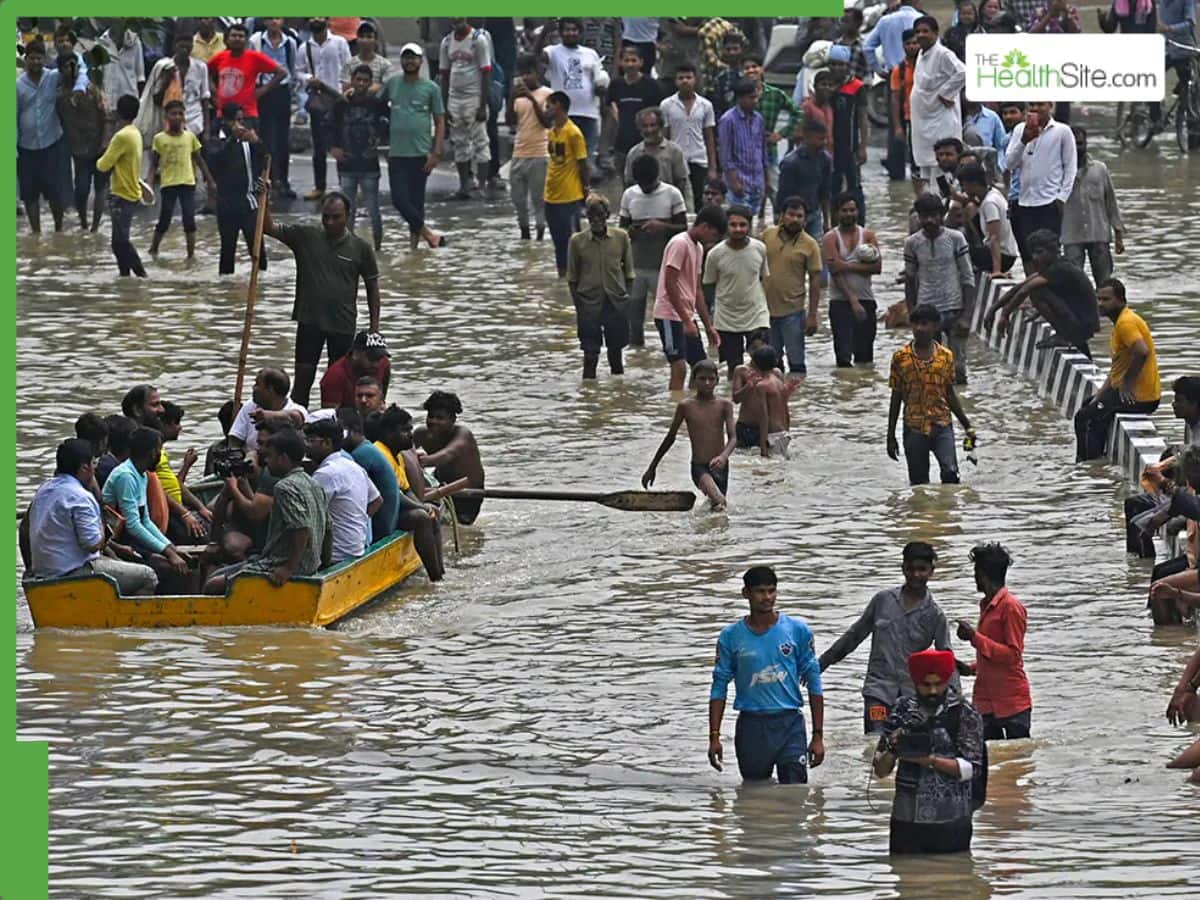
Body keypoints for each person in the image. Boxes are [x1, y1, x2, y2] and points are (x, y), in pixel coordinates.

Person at [259, 186, 380, 408]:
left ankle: (334, 429)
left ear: (348, 216)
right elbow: (268, 227)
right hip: (310, 320)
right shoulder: (306, 236)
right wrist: (265, 200)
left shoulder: (360, 248)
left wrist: (374, 328)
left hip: (342, 324)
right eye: (326, 217)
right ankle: (298, 423)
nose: (330, 222)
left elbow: (372, 287)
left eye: (336, 217)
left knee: (338, 382)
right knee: (302, 381)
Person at [708, 566, 825, 782]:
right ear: (746, 593)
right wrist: (714, 736)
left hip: (789, 724)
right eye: (760, 591)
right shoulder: (731, 637)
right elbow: (719, 685)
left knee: (795, 794)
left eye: (772, 591)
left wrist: (818, 735)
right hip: (752, 726)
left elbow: (814, 680)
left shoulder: (797, 630)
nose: (767, 597)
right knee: (754, 795)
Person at [822, 542, 956, 730]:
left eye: (922, 569)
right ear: (903, 569)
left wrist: (955, 702)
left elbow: (947, 660)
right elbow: (854, 635)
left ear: (931, 571)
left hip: (912, 696)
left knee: (909, 746)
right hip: (879, 691)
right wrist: (822, 663)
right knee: (875, 742)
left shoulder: (935, 615)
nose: (916, 575)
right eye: (910, 569)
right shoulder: (883, 601)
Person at [872, 648, 985, 854]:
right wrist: (893, 748)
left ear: (947, 680)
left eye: (938, 684)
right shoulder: (901, 710)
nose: (933, 691)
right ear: (915, 683)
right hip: (906, 820)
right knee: (906, 880)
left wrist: (930, 760)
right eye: (926, 685)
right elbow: (880, 771)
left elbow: (973, 769)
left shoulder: (964, 713)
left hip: (951, 821)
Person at [204, 428, 330, 594]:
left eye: (270, 456)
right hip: (309, 564)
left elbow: (301, 528)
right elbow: (328, 529)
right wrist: (325, 564)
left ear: (283, 458)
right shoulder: (313, 483)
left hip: (281, 564)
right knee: (222, 572)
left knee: (212, 584)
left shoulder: (283, 487)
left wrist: (287, 569)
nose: (267, 462)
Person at [26, 439, 158, 596]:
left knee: (122, 565)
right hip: (71, 572)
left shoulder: (43, 490)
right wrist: (102, 526)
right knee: (148, 576)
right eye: (93, 464)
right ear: (84, 468)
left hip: (45, 569)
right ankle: (121, 620)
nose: (95, 470)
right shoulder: (80, 497)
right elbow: (92, 544)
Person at [887, 304, 975, 485]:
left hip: (941, 424)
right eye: (916, 324)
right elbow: (896, 397)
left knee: (951, 473)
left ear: (935, 326)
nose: (919, 329)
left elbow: (949, 394)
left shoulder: (946, 357)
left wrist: (967, 426)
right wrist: (890, 435)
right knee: (919, 484)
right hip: (914, 427)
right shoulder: (901, 358)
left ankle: (946, 511)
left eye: (925, 324)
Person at [1074, 278, 1161, 462]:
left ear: (1120, 300)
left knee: (1085, 418)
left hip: (1141, 397)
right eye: (1098, 299)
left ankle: (1089, 464)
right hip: (1129, 392)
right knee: (1088, 405)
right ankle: (1095, 457)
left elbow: (1142, 352)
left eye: (1106, 299)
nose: (1100, 304)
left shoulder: (1125, 323)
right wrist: (1101, 394)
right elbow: (1117, 368)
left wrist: (1127, 384)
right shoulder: (1120, 322)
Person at [955, 543, 1033, 739]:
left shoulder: (1011, 607)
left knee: (1016, 759)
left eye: (975, 572)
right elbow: (993, 655)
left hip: (1012, 702)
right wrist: (971, 669)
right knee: (991, 759)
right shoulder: (987, 605)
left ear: (982, 574)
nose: (974, 578)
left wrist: (974, 637)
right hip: (985, 701)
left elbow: (1012, 655)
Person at [987, 228, 1100, 356]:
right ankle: (1064, 334)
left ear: (1054, 250)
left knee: (1036, 292)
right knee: (1034, 289)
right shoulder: (1052, 266)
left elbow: (1024, 291)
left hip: (1083, 325)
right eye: (1033, 253)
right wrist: (993, 309)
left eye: (1040, 252)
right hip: (1079, 321)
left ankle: (1063, 335)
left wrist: (1005, 314)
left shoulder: (1060, 268)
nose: (1035, 257)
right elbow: (1019, 287)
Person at [641, 359, 736, 508]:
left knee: (716, 509)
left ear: (717, 381)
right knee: (720, 500)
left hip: (721, 467)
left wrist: (723, 457)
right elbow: (670, 437)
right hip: (699, 467)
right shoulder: (686, 406)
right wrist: (652, 467)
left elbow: (733, 438)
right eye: (702, 379)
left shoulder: (724, 405)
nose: (707, 383)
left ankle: (704, 528)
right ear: (693, 380)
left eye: (711, 379)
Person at [102, 426, 191, 585]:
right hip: (118, 541)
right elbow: (133, 525)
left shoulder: (141, 474)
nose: (160, 454)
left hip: (131, 537)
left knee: (182, 560)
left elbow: (145, 520)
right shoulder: (126, 476)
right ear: (151, 453)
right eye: (159, 450)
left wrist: (170, 548)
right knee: (166, 567)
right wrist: (168, 554)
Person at [904, 193, 976, 384]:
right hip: (926, 311)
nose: (929, 220)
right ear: (918, 217)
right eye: (924, 216)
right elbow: (909, 280)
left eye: (934, 215)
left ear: (942, 214)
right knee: (930, 370)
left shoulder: (956, 238)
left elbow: (967, 277)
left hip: (955, 309)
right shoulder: (912, 243)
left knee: (958, 370)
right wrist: (912, 316)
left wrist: (967, 317)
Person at [1124, 377, 1200, 557]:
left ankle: (1144, 566)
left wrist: (1165, 482)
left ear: (1194, 404)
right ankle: (1136, 565)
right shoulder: (1190, 425)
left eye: (1179, 401)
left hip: (1189, 500)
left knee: (1139, 525)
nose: (1173, 405)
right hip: (1183, 494)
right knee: (1133, 504)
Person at [653, 206, 727, 391]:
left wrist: (708, 326)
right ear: (705, 226)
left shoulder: (698, 248)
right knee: (678, 366)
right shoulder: (680, 243)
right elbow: (670, 284)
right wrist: (686, 321)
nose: (713, 240)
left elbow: (696, 289)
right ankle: (677, 408)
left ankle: (696, 406)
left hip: (685, 313)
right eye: (714, 235)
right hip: (669, 314)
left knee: (700, 366)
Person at [618, 155, 688, 348]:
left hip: (664, 266)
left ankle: (672, 348)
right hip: (636, 266)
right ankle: (637, 352)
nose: (645, 188)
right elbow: (621, 229)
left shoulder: (672, 194)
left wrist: (663, 227)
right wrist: (631, 232)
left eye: (648, 184)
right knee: (634, 318)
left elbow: (684, 228)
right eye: (641, 184)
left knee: (669, 314)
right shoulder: (629, 195)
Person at [384, 43, 447, 252]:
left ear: (421, 61)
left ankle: (414, 248)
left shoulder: (431, 88)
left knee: (416, 202)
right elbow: (377, 103)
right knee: (399, 200)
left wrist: (437, 152)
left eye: (414, 58)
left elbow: (439, 121)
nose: (409, 61)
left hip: (421, 153)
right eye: (406, 57)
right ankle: (430, 235)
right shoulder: (392, 83)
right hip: (397, 152)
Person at [372, 405, 445, 582]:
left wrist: (425, 505)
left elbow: (406, 489)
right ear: (389, 433)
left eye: (410, 429)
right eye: (405, 430)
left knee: (431, 513)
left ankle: (440, 571)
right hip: (382, 516)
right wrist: (420, 506)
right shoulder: (380, 453)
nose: (411, 435)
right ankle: (435, 578)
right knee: (421, 517)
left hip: (396, 509)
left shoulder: (396, 455)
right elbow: (395, 494)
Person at [567, 194, 635, 379]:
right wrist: (579, 306)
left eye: (600, 215)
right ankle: (589, 396)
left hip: (616, 302)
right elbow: (572, 278)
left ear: (607, 215)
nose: (596, 220)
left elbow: (629, 273)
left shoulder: (621, 237)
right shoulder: (577, 241)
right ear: (586, 216)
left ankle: (618, 395)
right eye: (592, 215)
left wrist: (626, 300)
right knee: (590, 355)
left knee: (616, 354)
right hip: (588, 303)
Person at [1005, 101, 1077, 265]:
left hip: (1050, 202)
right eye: (1032, 105)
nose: (1035, 109)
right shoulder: (1019, 130)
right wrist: (1024, 140)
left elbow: (1070, 167)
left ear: (1050, 106)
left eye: (1040, 104)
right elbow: (1009, 164)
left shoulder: (1062, 131)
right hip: (1024, 202)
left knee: (1050, 254)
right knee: (1028, 254)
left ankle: (1052, 289)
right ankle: (1033, 289)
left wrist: (1062, 198)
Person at [704, 206, 770, 377]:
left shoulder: (760, 248)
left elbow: (762, 278)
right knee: (734, 369)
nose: (738, 229)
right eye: (733, 225)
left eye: (743, 225)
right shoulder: (715, 254)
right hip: (726, 317)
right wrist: (710, 319)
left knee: (763, 360)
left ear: (750, 226)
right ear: (726, 226)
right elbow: (708, 286)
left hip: (756, 313)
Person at [304, 417, 381, 564]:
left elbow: (307, 517)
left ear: (327, 443)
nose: (307, 446)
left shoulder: (325, 474)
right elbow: (376, 500)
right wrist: (358, 525)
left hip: (335, 556)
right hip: (356, 548)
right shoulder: (354, 466)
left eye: (311, 440)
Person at [206, 103, 269, 277]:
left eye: (241, 120)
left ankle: (261, 285)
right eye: (235, 121)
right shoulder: (216, 140)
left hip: (249, 203)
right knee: (227, 251)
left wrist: (257, 143)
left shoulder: (249, 139)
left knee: (258, 252)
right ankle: (226, 292)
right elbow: (215, 160)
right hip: (226, 205)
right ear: (226, 121)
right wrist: (232, 139)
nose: (239, 125)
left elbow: (266, 159)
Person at [330, 65, 389, 252]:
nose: (361, 84)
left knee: (374, 210)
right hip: (346, 163)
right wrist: (333, 148)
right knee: (347, 210)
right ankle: (346, 249)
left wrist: (379, 140)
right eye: (358, 80)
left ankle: (378, 250)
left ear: (370, 83)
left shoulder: (377, 104)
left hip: (369, 165)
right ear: (352, 80)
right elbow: (327, 127)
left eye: (365, 81)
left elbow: (388, 123)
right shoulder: (341, 103)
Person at [761, 198, 823, 376]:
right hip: (765, 311)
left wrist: (812, 315)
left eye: (799, 216)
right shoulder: (767, 236)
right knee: (769, 364)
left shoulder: (810, 245)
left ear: (806, 220)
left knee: (796, 365)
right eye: (791, 214)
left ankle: (799, 400)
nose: (795, 219)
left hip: (793, 312)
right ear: (782, 216)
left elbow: (815, 282)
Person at [147, 100, 215, 259]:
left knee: (189, 220)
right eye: (173, 114)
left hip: (187, 183)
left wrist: (210, 181)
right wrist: (149, 182)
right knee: (165, 219)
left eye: (180, 114)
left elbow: (199, 160)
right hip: (168, 184)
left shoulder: (189, 137)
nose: (177, 117)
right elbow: (153, 164)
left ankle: (191, 255)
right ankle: (153, 248)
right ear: (166, 117)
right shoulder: (160, 139)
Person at [823, 194, 882, 368]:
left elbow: (877, 268)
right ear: (836, 213)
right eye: (844, 211)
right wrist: (853, 301)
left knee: (865, 360)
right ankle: (846, 394)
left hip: (867, 300)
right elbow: (834, 271)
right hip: (840, 302)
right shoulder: (830, 238)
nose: (849, 214)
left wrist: (845, 265)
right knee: (843, 360)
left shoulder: (868, 235)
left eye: (852, 210)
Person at [1062, 127, 1125, 288]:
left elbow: (1111, 202)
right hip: (1071, 235)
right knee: (1073, 282)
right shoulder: (1059, 172)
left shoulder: (1100, 169)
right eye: (1072, 144)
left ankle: (1104, 312)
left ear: (1086, 144)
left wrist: (1118, 235)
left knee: (1104, 281)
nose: (1077, 148)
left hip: (1099, 234)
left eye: (1080, 143)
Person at [297, 19, 352, 202]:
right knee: (319, 145)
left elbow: (348, 66)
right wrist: (308, 78)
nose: (315, 20)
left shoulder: (339, 43)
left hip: (337, 98)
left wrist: (345, 92)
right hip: (318, 101)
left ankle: (344, 184)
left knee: (341, 142)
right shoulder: (304, 47)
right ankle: (319, 186)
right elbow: (298, 71)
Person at [740, 52, 799, 220]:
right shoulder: (738, 95)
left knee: (774, 191)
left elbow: (798, 113)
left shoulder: (775, 94)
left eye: (754, 67)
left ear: (762, 69)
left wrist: (781, 134)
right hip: (745, 153)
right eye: (747, 68)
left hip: (769, 151)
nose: (751, 71)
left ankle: (779, 227)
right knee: (748, 196)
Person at [438, 18, 492, 199]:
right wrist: (444, 106)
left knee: (480, 142)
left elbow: (486, 73)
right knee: (459, 142)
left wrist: (483, 105)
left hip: (474, 98)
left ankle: (482, 186)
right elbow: (444, 75)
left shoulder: (478, 40)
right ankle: (464, 186)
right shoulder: (446, 42)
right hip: (454, 99)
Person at [414, 391, 486, 525]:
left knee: (461, 525)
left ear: (453, 420)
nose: (434, 421)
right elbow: (402, 449)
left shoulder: (463, 434)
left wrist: (424, 460)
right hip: (441, 485)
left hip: (468, 493)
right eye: (431, 416)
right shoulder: (421, 434)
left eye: (440, 418)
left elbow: (447, 455)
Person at [909, 17, 966, 185]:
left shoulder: (943, 53)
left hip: (941, 120)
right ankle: (929, 203)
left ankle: (946, 202)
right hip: (923, 120)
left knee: (942, 167)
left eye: (925, 31)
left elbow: (962, 73)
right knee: (925, 169)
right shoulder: (921, 53)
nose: (921, 35)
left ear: (935, 33)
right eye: (918, 32)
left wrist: (946, 94)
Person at [542, 18, 607, 166]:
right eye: (567, 30)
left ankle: (583, 188)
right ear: (561, 33)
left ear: (580, 32)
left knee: (585, 159)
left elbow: (597, 80)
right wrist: (544, 33)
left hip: (588, 114)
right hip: (562, 115)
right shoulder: (552, 51)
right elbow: (535, 58)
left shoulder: (591, 54)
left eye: (574, 30)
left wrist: (602, 102)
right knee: (562, 159)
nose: (571, 33)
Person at [95, 94, 147, 278]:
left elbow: (103, 165)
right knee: (118, 241)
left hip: (121, 193)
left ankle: (141, 275)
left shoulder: (121, 136)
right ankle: (125, 276)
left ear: (118, 113)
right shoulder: (134, 132)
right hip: (130, 191)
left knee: (121, 241)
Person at [55, 54, 107, 232]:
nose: (71, 70)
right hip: (78, 149)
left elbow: (103, 116)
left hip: (98, 144)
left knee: (100, 188)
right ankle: (84, 223)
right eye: (67, 66)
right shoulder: (60, 96)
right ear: (60, 70)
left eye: (74, 66)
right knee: (82, 189)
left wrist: (104, 141)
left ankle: (94, 227)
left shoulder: (91, 89)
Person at [248, 18, 298, 199]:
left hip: (282, 91)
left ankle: (283, 180)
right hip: (263, 92)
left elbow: (292, 67)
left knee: (283, 138)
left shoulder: (290, 42)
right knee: (266, 137)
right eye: (270, 18)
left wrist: (291, 90)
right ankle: (267, 179)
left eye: (277, 17)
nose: (274, 22)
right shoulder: (256, 41)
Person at [544, 91, 590, 278]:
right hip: (550, 194)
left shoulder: (573, 133)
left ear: (559, 107)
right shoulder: (552, 132)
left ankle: (576, 278)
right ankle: (562, 278)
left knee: (572, 242)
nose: (546, 110)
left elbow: (583, 163)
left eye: (549, 106)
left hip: (570, 195)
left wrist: (585, 190)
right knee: (558, 242)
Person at [206, 21, 282, 134]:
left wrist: (262, 90)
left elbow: (281, 72)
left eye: (241, 36)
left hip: (247, 115)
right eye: (234, 36)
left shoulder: (254, 57)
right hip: (223, 114)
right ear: (227, 39)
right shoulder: (221, 57)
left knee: (247, 149)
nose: (237, 39)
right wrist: (213, 90)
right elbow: (206, 71)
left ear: (246, 40)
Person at [661, 64, 717, 212]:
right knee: (675, 201)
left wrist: (713, 167)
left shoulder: (706, 105)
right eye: (681, 78)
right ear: (675, 81)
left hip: (699, 158)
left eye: (688, 77)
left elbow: (709, 137)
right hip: (676, 160)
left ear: (695, 80)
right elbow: (664, 135)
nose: (685, 81)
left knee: (700, 200)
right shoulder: (666, 105)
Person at [508, 54, 552, 241]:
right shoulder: (517, 96)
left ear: (538, 73)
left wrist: (532, 100)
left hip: (540, 154)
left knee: (539, 200)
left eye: (530, 73)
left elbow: (546, 123)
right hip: (519, 153)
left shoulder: (548, 94)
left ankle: (540, 235)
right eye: (523, 74)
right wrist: (511, 98)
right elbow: (511, 122)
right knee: (518, 200)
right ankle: (524, 233)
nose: (526, 78)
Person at [826, 45, 868, 225]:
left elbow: (863, 118)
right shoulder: (825, 85)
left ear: (847, 65)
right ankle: (834, 224)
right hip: (829, 146)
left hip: (850, 146)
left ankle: (860, 224)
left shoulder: (857, 86)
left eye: (840, 65)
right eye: (833, 64)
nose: (837, 68)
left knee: (854, 186)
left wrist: (863, 146)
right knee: (831, 186)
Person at [733, 345, 798, 458]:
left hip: (769, 430)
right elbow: (736, 399)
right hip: (747, 426)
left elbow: (779, 405)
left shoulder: (776, 374)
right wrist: (749, 386)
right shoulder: (741, 371)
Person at [608, 43, 663, 175]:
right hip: (622, 142)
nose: (630, 64)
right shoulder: (616, 84)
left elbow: (658, 110)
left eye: (634, 60)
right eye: (626, 60)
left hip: (646, 142)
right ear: (621, 63)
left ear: (641, 62)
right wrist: (619, 119)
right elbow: (609, 103)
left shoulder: (651, 84)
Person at [228, 368, 308, 455]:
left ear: (269, 390)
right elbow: (235, 439)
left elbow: (295, 418)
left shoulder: (297, 409)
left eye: (257, 384)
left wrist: (268, 415)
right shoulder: (250, 405)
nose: (253, 388)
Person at [957, 163, 1018, 277]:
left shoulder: (990, 203)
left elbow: (994, 237)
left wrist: (997, 270)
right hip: (1002, 254)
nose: (963, 189)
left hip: (1004, 257)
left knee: (957, 247)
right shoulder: (992, 193)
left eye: (964, 185)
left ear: (973, 183)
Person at [777, 120, 833, 243]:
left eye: (825, 138)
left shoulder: (825, 160)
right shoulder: (790, 163)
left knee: (814, 250)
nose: (824, 142)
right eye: (820, 139)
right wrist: (781, 222)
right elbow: (782, 197)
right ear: (807, 138)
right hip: (793, 215)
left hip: (814, 214)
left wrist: (827, 221)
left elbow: (825, 192)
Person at [717, 80, 767, 216]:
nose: (755, 101)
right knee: (737, 223)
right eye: (751, 98)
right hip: (738, 183)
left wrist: (764, 180)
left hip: (757, 182)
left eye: (756, 97)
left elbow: (762, 150)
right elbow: (725, 156)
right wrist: (734, 183)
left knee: (752, 224)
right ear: (740, 98)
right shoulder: (728, 120)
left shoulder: (759, 119)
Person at [320, 332, 391, 410]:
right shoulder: (335, 375)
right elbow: (330, 416)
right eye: (372, 358)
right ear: (356, 354)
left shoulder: (384, 363)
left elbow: (381, 399)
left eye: (379, 358)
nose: (377, 364)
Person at [887, 29, 921, 182]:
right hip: (907, 116)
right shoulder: (898, 70)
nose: (912, 47)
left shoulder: (927, 65)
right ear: (903, 46)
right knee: (905, 153)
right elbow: (894, 99)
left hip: (925, 115)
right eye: (908, 44)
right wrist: (897, 126)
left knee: (921, 157)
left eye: (915, 43)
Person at [340, 21, 391, 91]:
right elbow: (346, 89)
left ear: (375, 40)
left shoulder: (385, 65)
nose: (365, 40)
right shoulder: (349, 64)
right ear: (357, 40)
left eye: (369, 37)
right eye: (361, 36)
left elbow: (387, 88)